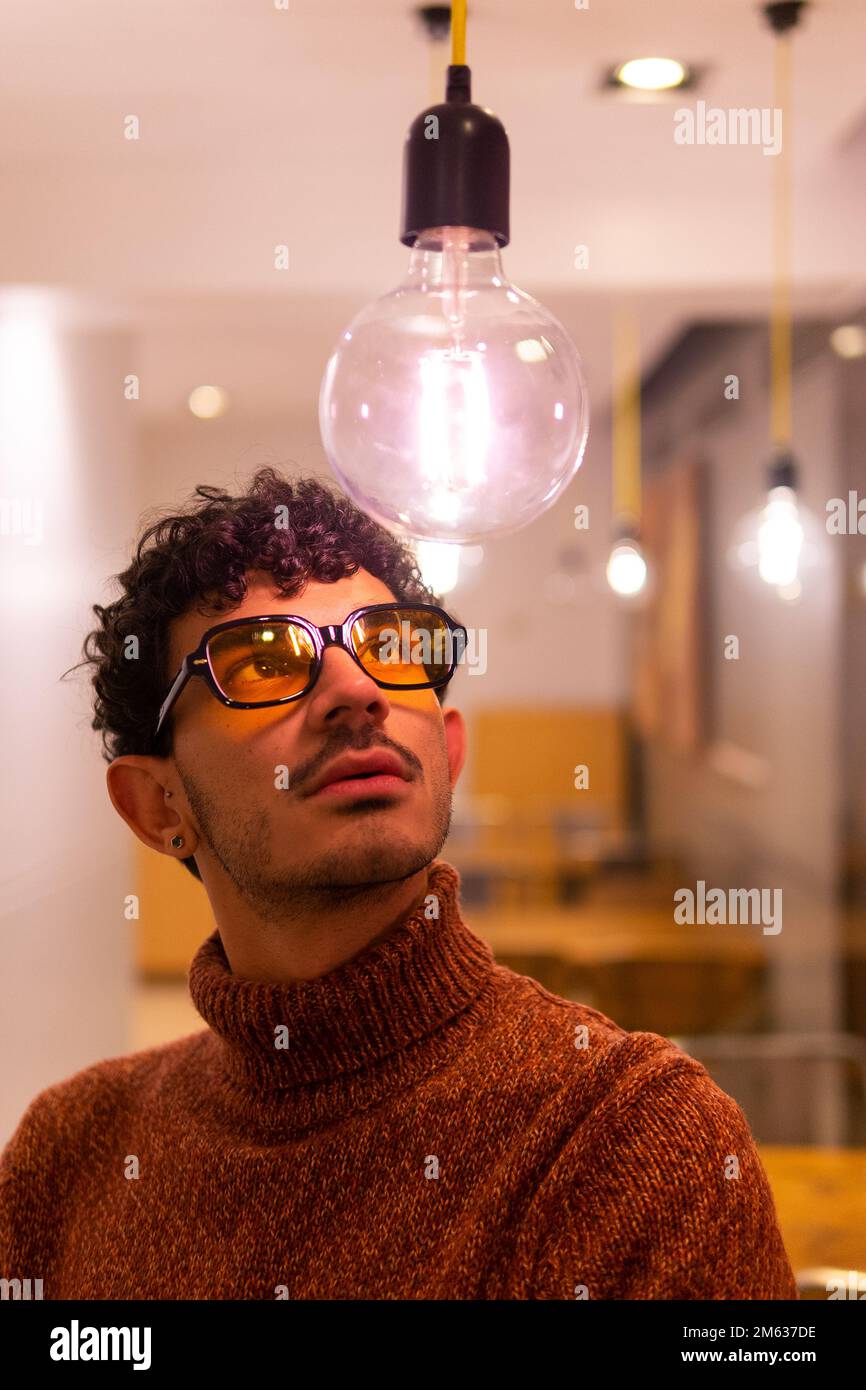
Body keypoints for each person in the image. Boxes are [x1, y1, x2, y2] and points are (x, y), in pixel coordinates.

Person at [0, 468, 798, 1300]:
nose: (358, 691)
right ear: (157, 805)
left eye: (389, 647)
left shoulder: (630, 1145)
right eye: (264, 660)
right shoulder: (67, 1157)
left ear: (447, 752)